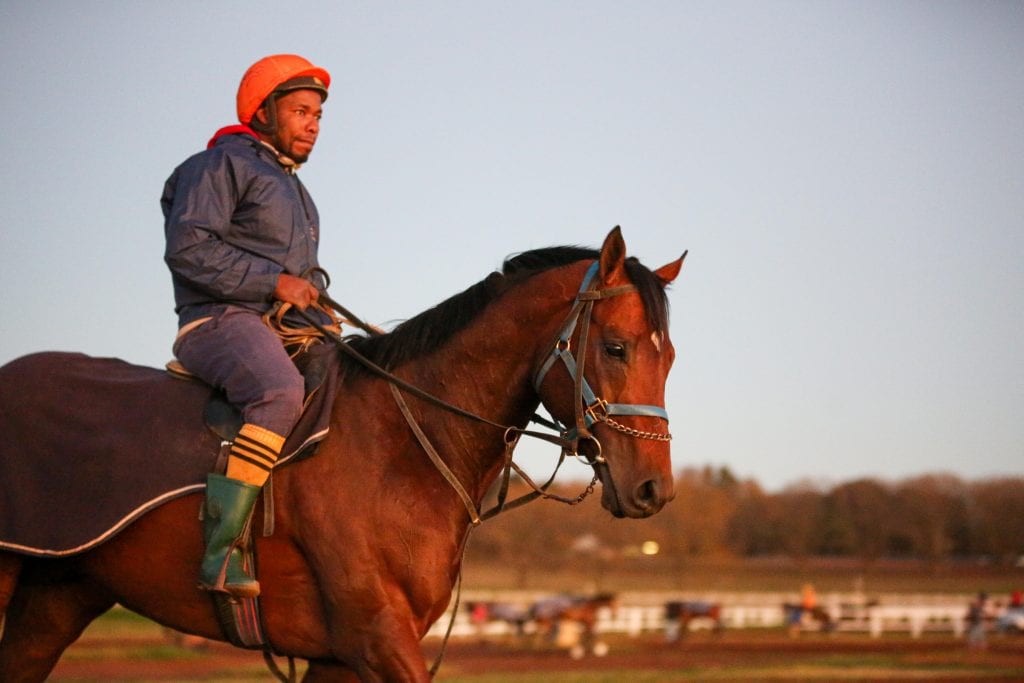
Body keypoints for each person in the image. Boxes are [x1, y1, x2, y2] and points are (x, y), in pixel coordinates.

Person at [162, 54, 333, 598]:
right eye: (301, 110)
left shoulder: (294, 188)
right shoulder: (215, 166)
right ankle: (220, 552)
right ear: (262, 112)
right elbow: (189, 249)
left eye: (319, 115)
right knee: (279, 392)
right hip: (217, 321)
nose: (313, 123)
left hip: (275, 326)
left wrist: (317, 314)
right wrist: (275, 283)